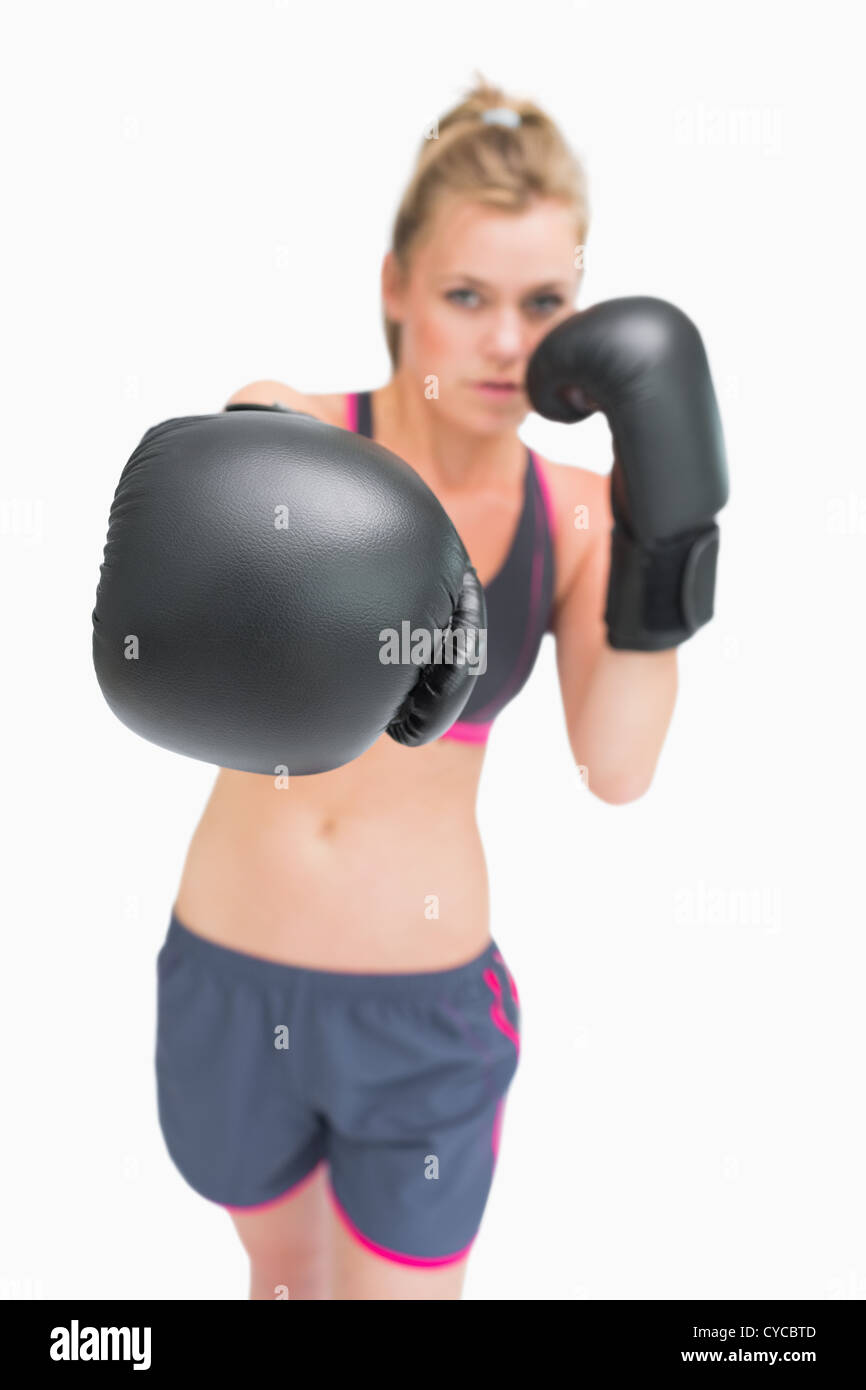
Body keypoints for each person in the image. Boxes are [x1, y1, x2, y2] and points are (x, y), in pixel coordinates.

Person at [158, 79, 681, 1301]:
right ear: (395, 286)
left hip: (422, 1017)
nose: (507, 342)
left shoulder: (577, 513)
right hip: (228, 978)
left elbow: (616, 770)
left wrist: (670, 533)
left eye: (544, 303)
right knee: (281, 1282)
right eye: (467, 296)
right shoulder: (296, 429)